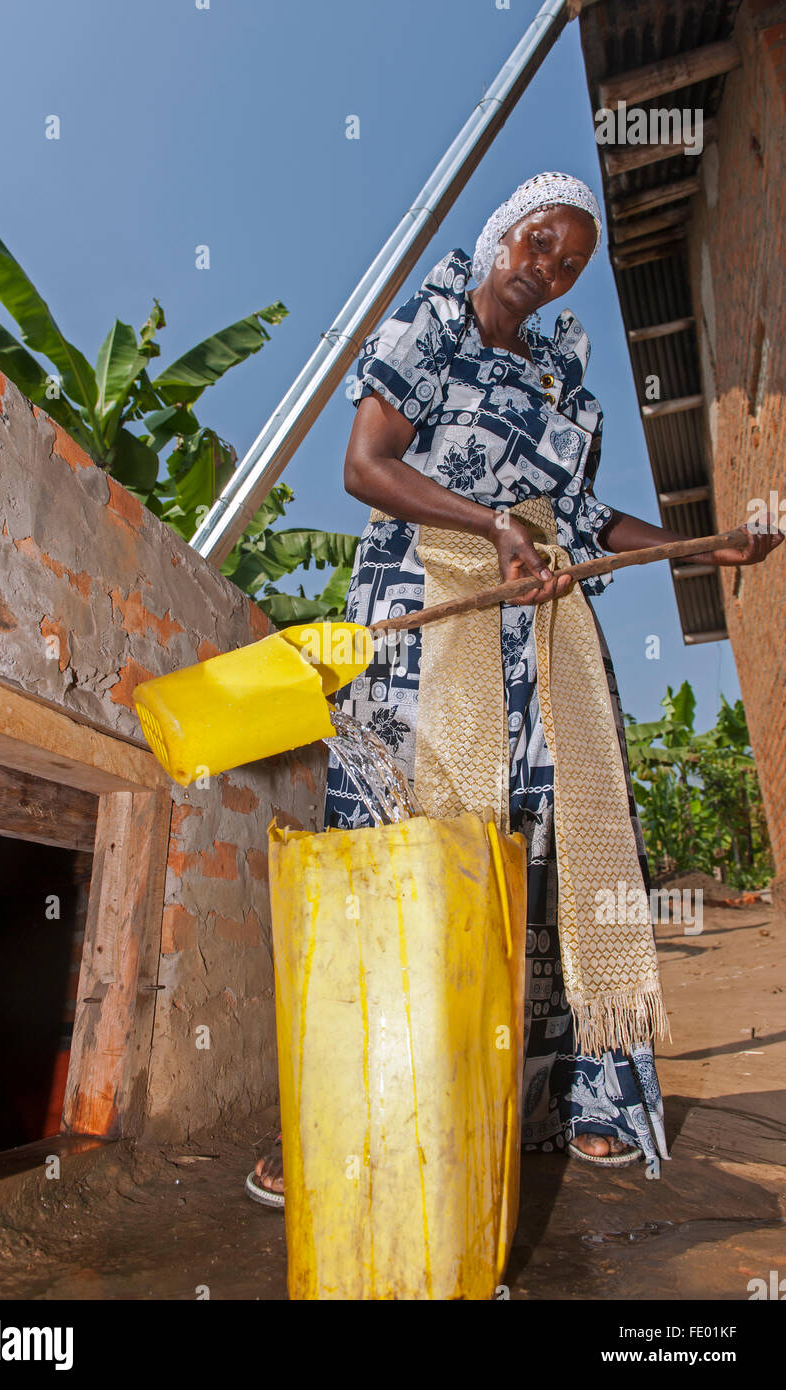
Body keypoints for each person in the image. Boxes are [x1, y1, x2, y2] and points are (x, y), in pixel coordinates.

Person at [246, 170, 782, 1206]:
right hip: (425, 617)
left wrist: (703, 546)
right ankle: (336, 1119)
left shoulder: (564, 382)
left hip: (539, 636)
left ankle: (572, 1101)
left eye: (573, 259)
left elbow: (580, 522)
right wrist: (488, 525)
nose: (552, 266)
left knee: (561, 846)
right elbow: (365, 463)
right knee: (401, 847)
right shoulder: (435, 320)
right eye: (541, 241)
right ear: (502, 233)